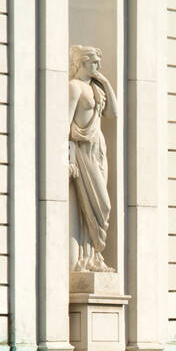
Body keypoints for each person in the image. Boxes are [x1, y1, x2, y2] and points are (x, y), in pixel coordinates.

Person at [68, 46, 118, 273]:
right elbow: (65, 126)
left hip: (98, 149)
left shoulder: (96, 89)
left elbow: (113, 114)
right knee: (99, 204)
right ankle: (84, 259)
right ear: (82, 62)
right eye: (94, 62)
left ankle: (95, 257)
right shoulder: (74, 88)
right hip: (82, 151)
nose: (98, 67)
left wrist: (106, 83)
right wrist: (68, 158)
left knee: (102, 204)